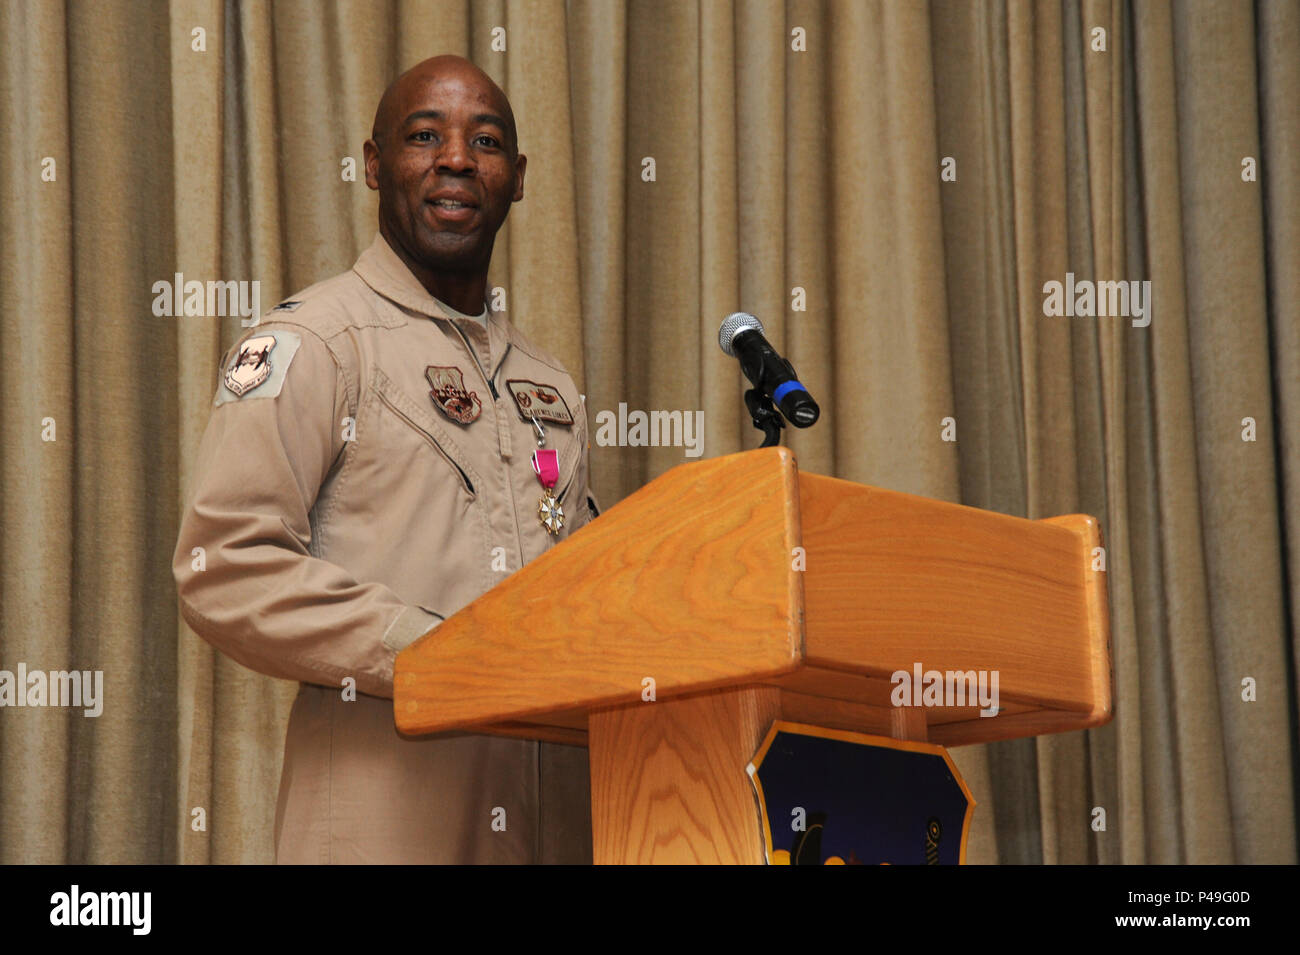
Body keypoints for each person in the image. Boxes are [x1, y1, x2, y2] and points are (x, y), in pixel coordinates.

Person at [172, 55, 598, 864]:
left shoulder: (550, 385)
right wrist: (436, 653)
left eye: (486, 140)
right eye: (423, 135)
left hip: (561, 825)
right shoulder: (315, 341)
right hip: (387, 826)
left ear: (519, 177)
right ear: (374, 165)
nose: (457, 159)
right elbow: (220, 563)